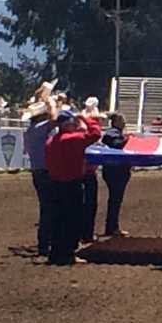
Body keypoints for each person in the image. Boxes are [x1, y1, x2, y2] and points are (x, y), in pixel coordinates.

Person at [44, 110, 102, 265]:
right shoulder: (74, 139)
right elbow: (95, 134)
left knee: (57, 220)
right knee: (72, 220)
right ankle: (68, 254)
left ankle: (55, 253)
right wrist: (84, 118)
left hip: (55, 183)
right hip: (71, 183)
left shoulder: (50, 141)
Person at [23, 95, 58, 257]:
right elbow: (54, 118)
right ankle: (46, 242)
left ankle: (45, 241)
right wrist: (51, 102)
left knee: (46, 206)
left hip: (38, 171)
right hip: (46, 171)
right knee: (50, 207)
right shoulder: (41, 128)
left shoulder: (31, 130)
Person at [100, 113, 132, 238]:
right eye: (122, 120)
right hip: (115, 171)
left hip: (117, 170)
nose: (124, 123)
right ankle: (111, 227)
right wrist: (129, 139)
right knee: (115, 199)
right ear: (116, 121)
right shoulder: (112, 133)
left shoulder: (114, 133)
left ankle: (113, 226)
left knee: (115, 199)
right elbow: (117, 144)